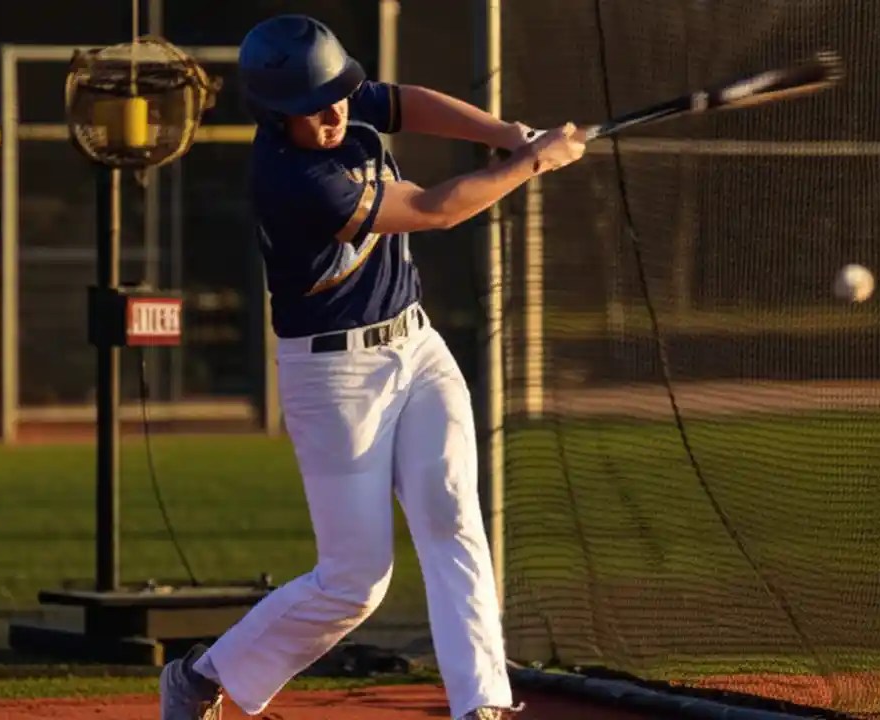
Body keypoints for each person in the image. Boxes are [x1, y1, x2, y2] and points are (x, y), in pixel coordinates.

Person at [160, 14, 586, 720]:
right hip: (334, 379)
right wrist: (531, 161)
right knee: (355, 581)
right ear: (275, 115)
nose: (335, 112)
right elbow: (432, 208)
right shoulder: (295, 177)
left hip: (416, 348)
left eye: (338, 95)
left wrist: (509, 133)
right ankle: (201, 677)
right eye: (314, 107)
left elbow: (407, 101)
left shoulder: (332, 101)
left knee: (452, 512)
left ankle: (481, 703)